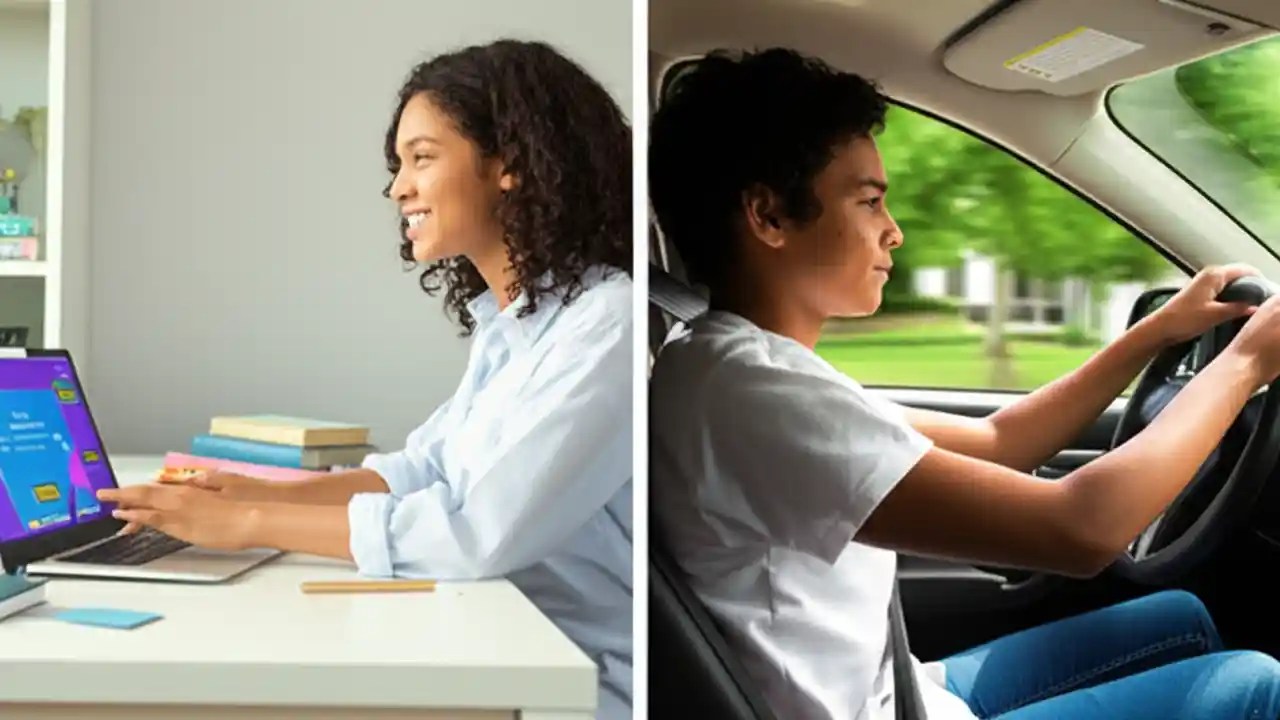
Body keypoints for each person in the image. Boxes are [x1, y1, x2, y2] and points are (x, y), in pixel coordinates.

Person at [647, 47, 1280, 720]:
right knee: (1255, 684)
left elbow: (998, 439)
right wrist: (1244, 365)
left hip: (907, 691)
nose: (893, 232)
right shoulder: (756, 399)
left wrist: (1155, 332)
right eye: (868, 202)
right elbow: (1083, 529)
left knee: (1181, 617)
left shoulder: (732, 365)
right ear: (768, 217)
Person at [99, 39, 633, 720]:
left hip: (576, 682)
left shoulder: (605, 324)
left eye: (422, 158)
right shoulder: (515, 328)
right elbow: (421, 470)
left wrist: (248, 521)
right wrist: (262, 491)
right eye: (399, 164)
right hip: (497, 642)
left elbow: (476, 534)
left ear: (512, 166)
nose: (398, 187)